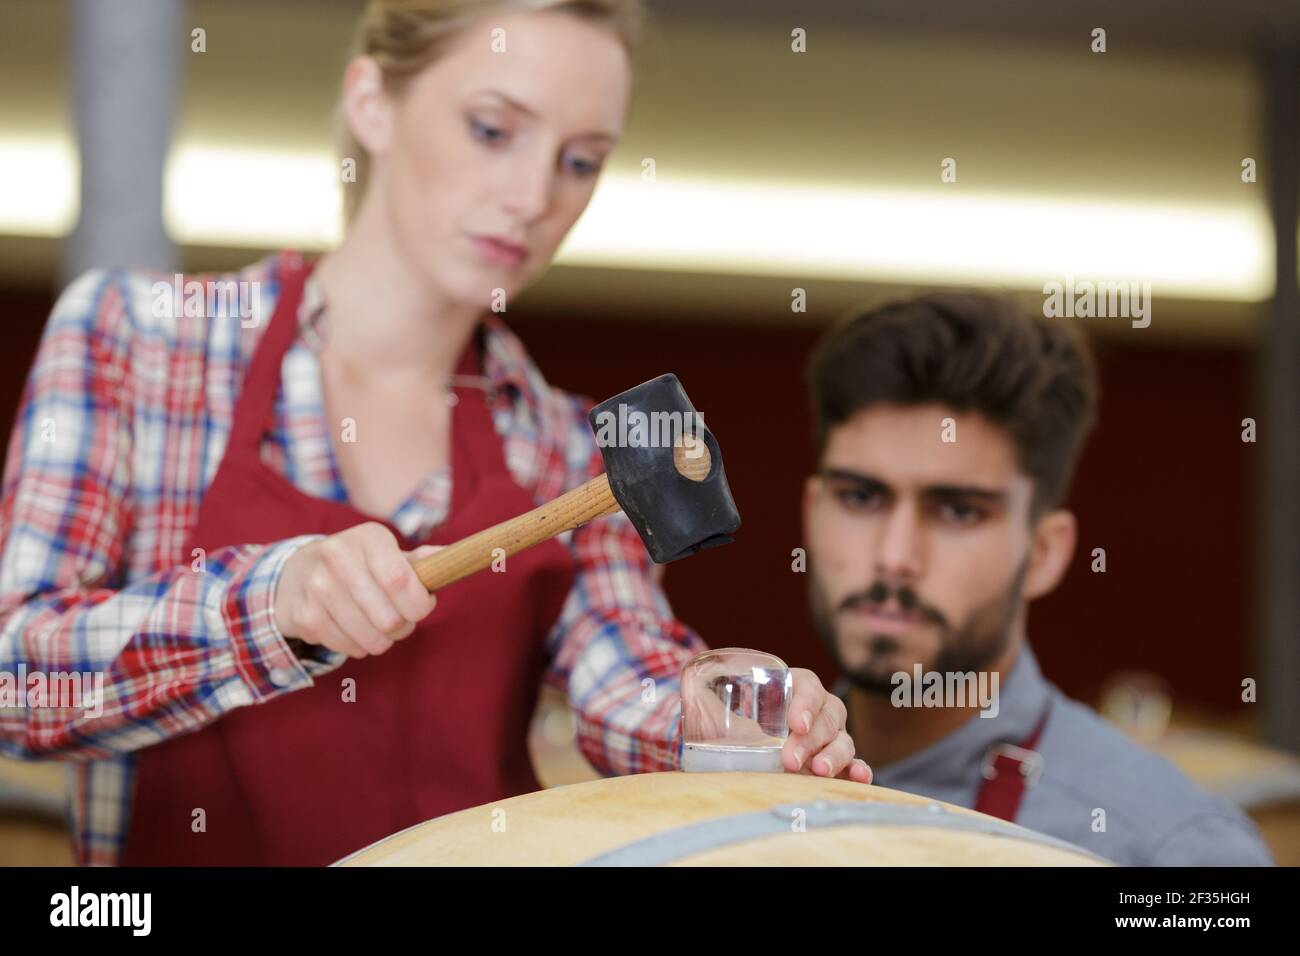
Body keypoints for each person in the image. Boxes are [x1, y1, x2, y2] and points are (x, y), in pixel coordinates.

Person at [0, 0, 869, 867]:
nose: (533, 198)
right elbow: (16, 683)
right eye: (493, 129)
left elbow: (624, 683)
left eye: (580, 161)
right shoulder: (139, 338)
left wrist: (721, 707)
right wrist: (273, 600)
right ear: (372, 100)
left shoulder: (564, 445)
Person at [800, 291, 1273, 865]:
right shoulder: (722, 783)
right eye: (861, 497)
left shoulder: (1174, 850)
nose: (894, 556)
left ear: (1046, 552)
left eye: (957, 510)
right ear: (814, 511)